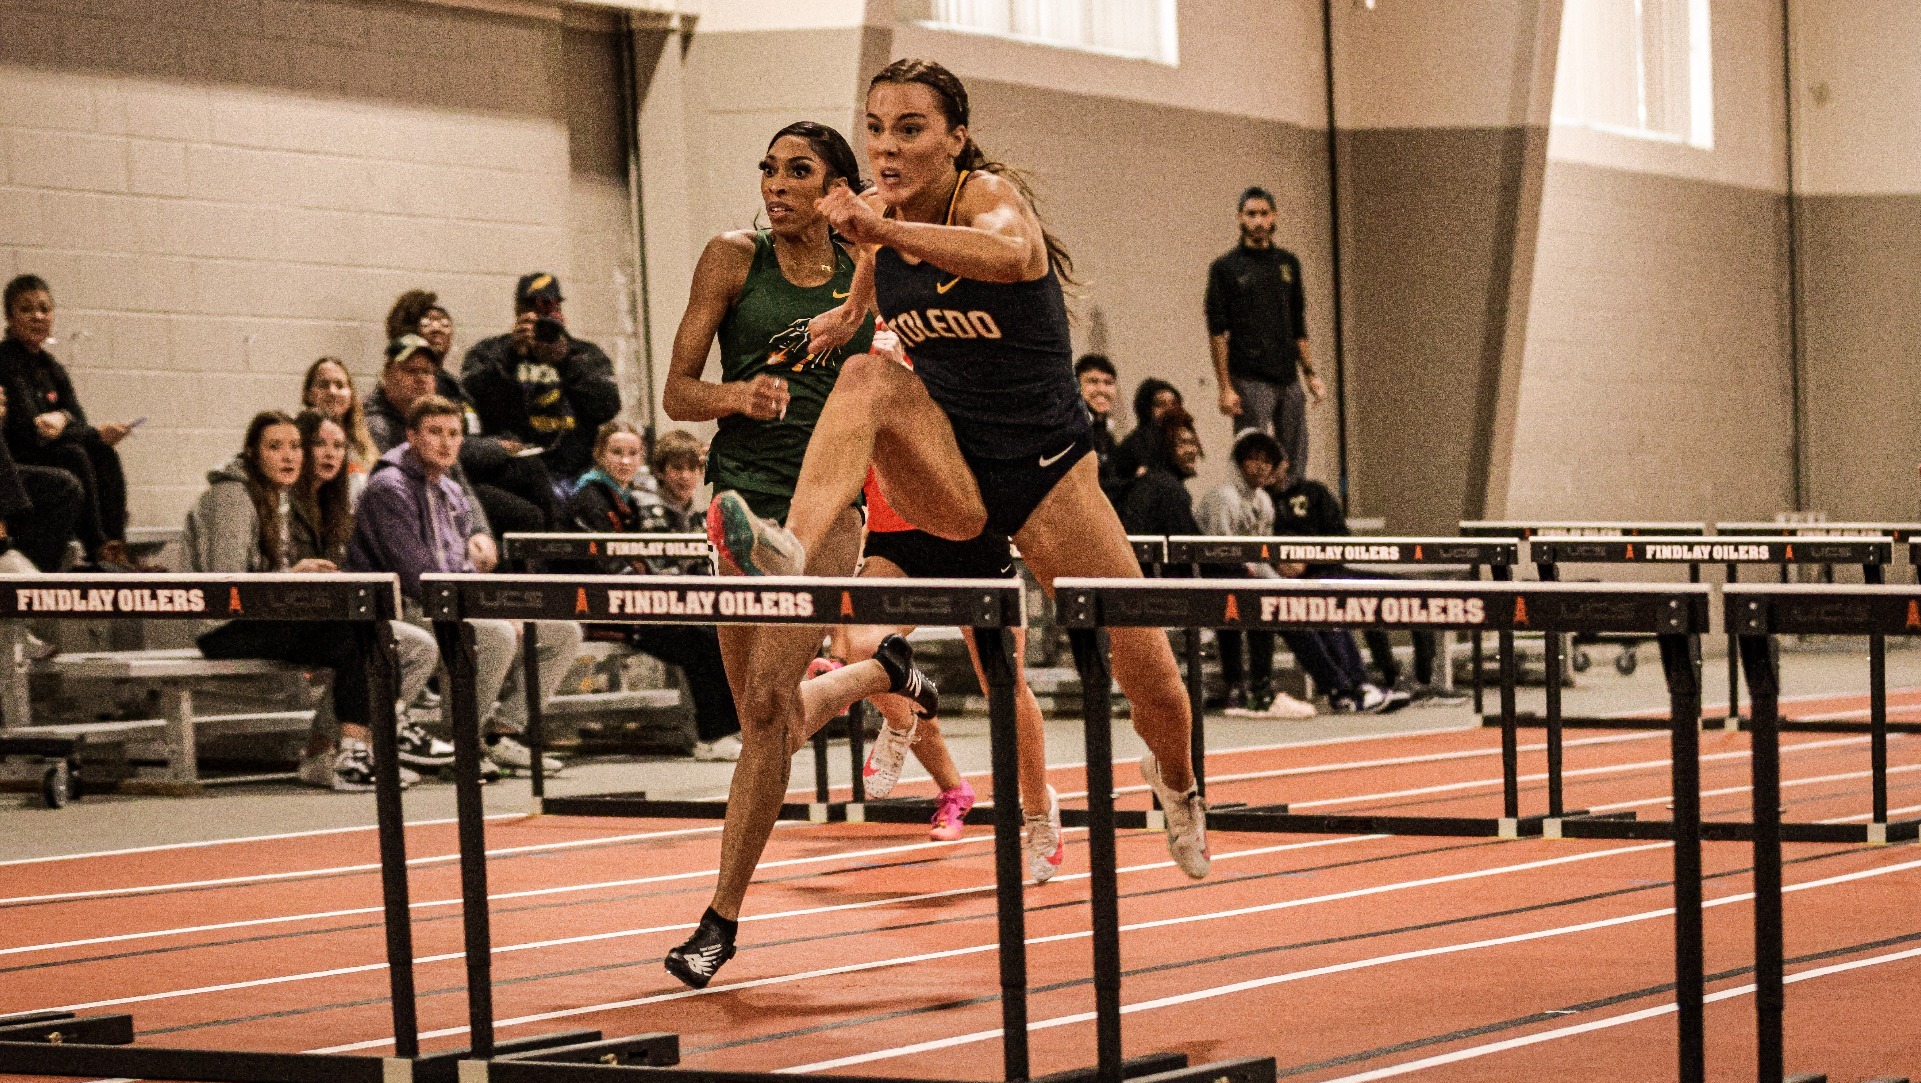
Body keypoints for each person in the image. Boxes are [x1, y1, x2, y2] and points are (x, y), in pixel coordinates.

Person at [704, 58, 1209, 983]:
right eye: (875, 128)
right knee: (864, 380)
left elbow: (1014, 258)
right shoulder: (871, 226)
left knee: (1155, 684)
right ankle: (794, 549)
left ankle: (1175, 783)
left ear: (955, 137)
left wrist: (883, 228)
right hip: (951, 473)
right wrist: (843, 314)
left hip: (1045, 474)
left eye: (909, 128)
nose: (886, 146)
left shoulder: (988, 199)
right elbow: (873, 289)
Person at [658, 120, 939, 990]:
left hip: (826, 513)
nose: (775, 184)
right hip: (735, 507)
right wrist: (738, 393)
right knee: (762, 724)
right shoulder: (730, 259)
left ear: (835, 190)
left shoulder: (876, 274)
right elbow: (676, 391)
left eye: (799, 171)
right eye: (768, 168)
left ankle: (719, 919)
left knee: (772, 705)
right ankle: (873, 674)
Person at [832, 344, 1057, 874]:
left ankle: (1039, 811)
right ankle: (902, 719)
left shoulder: (949, 340)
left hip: (971, 536)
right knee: (859, 645)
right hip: (898, 540)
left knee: (1004, 686)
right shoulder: (855, 337)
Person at [183, 411, 446, 791]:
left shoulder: (277, 498)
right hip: (223, 627)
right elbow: (226, 588)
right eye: (275, 447)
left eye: (294, 447)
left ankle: (353, 750)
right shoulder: (232, 497)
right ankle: (360, 744)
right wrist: (293, 578)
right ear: (253, 454)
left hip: (261, 618)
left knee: (370, 632)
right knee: (361, 633)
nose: (288, 456)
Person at [346, 395, 580, 776]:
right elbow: (419, 577)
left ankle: (499, 735)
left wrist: (498, 606)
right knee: (495, 635)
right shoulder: (389, 488)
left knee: (562, 633)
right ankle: (463, 744)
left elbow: (461, 569)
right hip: (404, 608)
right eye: (434, 432)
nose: (445, 442)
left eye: (453, 433)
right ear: (411, 436)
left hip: (446, 603)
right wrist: (492, 613)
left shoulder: (452, 491)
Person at [565, 421, 742, 761]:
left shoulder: (626, 497)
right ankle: (712, 735)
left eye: (632, 453)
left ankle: (727, 728)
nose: (625, 461)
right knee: (698, 640)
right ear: (599, 454)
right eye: (616, 453)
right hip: (605, 605)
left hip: (642, 602)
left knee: (714, 632)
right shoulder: (592, 497)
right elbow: (610, 566)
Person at [1267, 449, 1458, 703]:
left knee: (1414, 590)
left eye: (1271, 461)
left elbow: (1342, 540)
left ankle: (1420, 679)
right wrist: (1283, 563)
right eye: (1257, 461)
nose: (1266, 468)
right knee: (1333, 607)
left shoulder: (1313, 492)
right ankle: (1372, 681)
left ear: (1286, 464)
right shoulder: (1260, 501)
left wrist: (1308, 558)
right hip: (1294, 583)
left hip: (1332, 570)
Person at [0, 275, 143, 568]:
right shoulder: (6, 361)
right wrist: (78, 427)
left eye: (44, 308)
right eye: (26, 309)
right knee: (73, 452)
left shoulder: (51, 367)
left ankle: (113, 546)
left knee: (103, 452)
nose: (37, 316)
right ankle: (96, 545)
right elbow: (31, 428)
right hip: (16, 458)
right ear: (10, 318)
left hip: (50, 450)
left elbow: (77, 418)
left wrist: (69, 420)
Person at [367, 335, 553, 538]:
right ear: (387, 374)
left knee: (529, 493)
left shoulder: (438, 416)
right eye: (411, 371)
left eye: (427, 372)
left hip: (445, 505)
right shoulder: (374, 425)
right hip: (410, 519)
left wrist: (480, 533)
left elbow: (462, 485)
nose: (421, 379)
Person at [1206, 187, 1325, 483]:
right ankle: (1255, 515)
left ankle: (1291, 512)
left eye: (1264, 213)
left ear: (1274, 217)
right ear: (1240, 218)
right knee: (1254, 454)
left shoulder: (1288, 264)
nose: (1258, 221)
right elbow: (1217, 331)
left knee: (1294, 455)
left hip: (1287, 374)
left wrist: (1309, 373)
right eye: (1251, 214)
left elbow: (1298, 322)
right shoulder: (1226, 268)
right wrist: (1225, 387)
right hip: (1249, 376)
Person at [1194, 429, 1316, 719]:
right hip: (1209, 576)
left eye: (1267, 461)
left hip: (1246, 574)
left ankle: (1261, 685)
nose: (1261, 467)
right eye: (1253, 459)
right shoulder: (1223, 498)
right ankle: (1235, 687)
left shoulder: (1264, 501)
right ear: (1238, 462)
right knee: (1236, 600)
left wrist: (1278, 583)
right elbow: (1215, 553)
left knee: (1267, 597)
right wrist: (1254, 576)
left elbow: (1261, 553)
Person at [461, 273, 620, 483]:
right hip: (513, 473)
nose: (540, 315)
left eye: (548, 307)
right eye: (531, 307)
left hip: (574, 472)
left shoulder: (585, 354)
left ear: (559, 311)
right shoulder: (490, 352)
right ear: (517, 310)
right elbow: (470, 401)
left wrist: (565, 362)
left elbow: (607, 408)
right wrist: (511, 356)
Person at [0, 382, 83, 571]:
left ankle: (42, 572)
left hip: (14, 459)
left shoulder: (48, 366)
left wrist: (64, 416)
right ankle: (2, 546)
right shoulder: (10, 362)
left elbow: (76, 414)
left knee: (64, 483)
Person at [300, 357, 380, 493]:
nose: (332, 391)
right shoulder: (297, 440)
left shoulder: (364, 447)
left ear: (351, 395)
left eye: (340, 385)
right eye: (324, 385)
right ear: (308, 394)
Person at [1110, 376, 1183, 489]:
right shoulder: (1139, 442)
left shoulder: (1174, 438)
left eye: (1174, 404)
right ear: (1147, 409)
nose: (1169, 410)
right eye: (1161, 404)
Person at [1075, 354, 1124, 502]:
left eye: (1108, 383)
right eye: (1092, 381)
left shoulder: (1106, 435)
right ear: (1076, 386)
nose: (1101, 389)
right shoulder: (1072, 431)